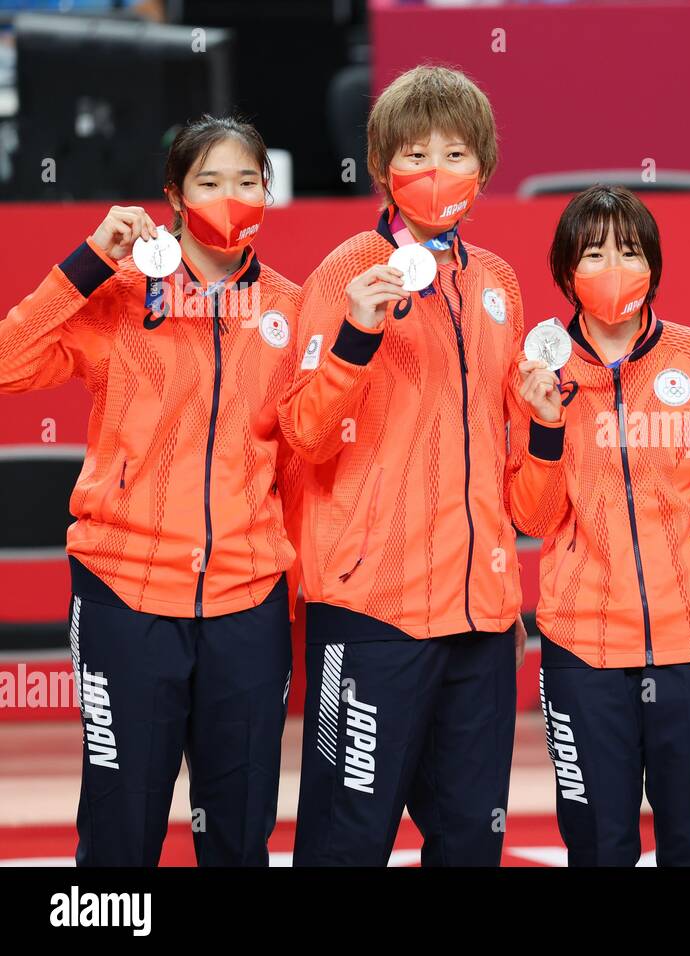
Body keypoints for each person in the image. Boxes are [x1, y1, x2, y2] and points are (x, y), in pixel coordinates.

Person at [0, 115, 302, 866]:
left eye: (246, 180)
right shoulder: (118, 296)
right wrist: (85, 265)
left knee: (239, 831)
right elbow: (6, 364)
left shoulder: (293, 310)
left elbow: (313, 447)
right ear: (172, 196)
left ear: (269, 190)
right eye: (208, 181)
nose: (231, 197)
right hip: (123, 594)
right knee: (119, 829)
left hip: (248, 599)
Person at [280, 64, 526, 867]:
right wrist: (356, 336)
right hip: (371, 611)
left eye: (455, 155)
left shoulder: (498, 285)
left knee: (467, 844)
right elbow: (305, 435)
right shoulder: (346, 269)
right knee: (346, 844)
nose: (436, 173)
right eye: (415, 155)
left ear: (483, 169)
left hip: (482, 619)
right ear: (383, 167)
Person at [508, 185, 690, 866]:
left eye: (628, 251)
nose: (613, 266)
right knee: (600, 846)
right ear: (566, 270)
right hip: (583, 652)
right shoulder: (537, 371)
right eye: (593, 253)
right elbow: (532, 515)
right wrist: (544, 428)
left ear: (654, 262)